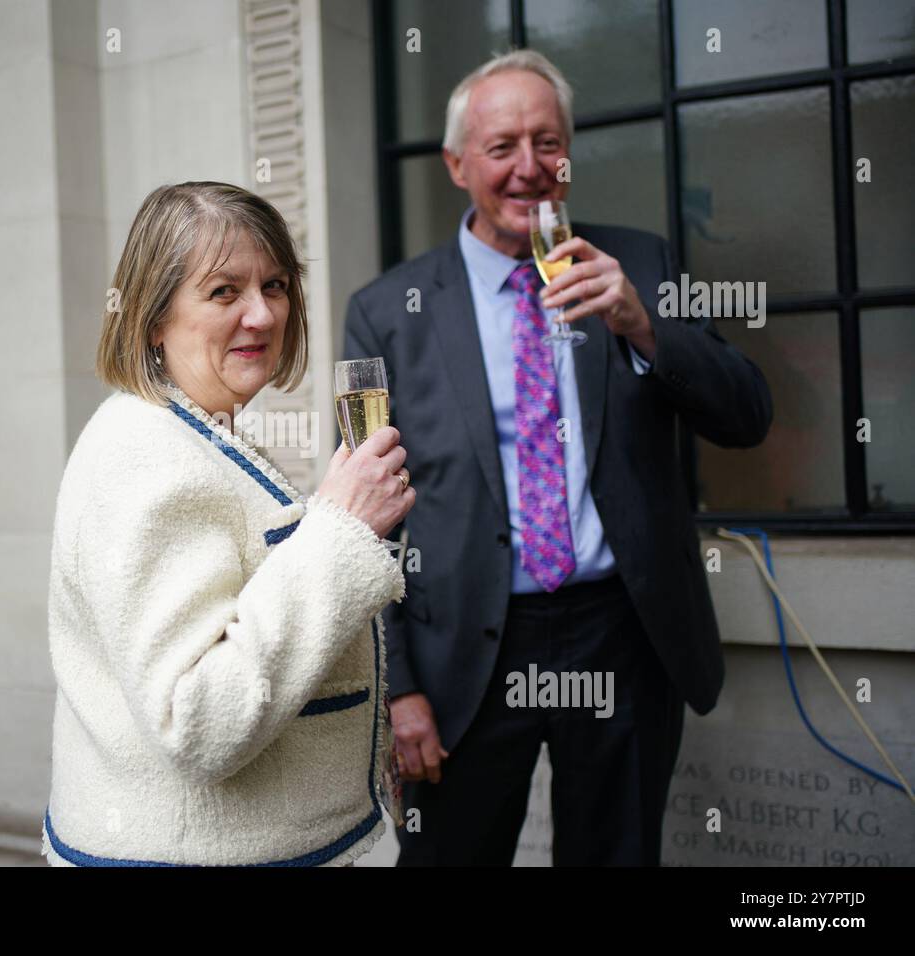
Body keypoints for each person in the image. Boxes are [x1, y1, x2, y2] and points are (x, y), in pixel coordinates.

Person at [342, 50, 772, 865]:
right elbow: (363, 518)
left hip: (622, 629)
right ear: (457, 163)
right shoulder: (387, 312)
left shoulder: (640, 264)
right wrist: (397, 688)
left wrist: (647, 328)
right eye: (503, 146)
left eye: (548, 143)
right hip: (464, 649)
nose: (529, 168)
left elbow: (748, 416)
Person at [42, 181, 414, 866]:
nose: (262, 315)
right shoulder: (145, 456)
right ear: (154, 318)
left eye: (275, 286)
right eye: (223, 292)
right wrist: (339, 531)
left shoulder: (193, 432)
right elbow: (198, 717)